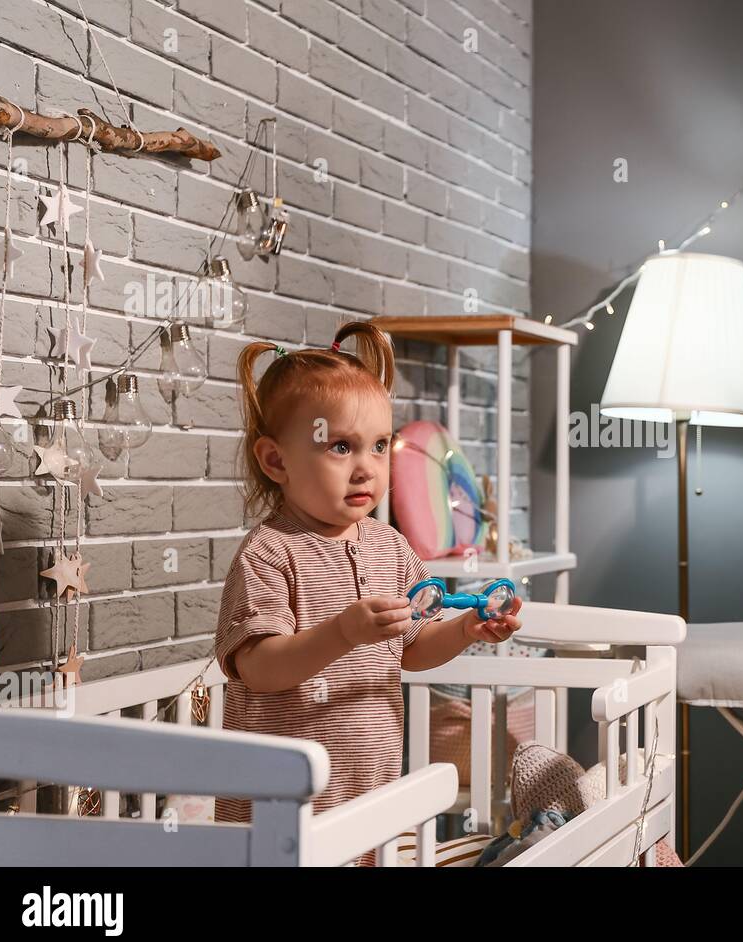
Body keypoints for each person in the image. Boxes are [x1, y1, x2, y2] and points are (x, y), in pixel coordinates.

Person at [213, 321, 522, 866]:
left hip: (369, 797)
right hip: (280, 808)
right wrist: (342, 632)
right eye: (340, 446)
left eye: (380, 446)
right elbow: (258, 667)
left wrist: (466, 629)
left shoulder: (389, 545)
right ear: (276, 460)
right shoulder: (269, 552)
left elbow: (413, 647)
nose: (366, 468)